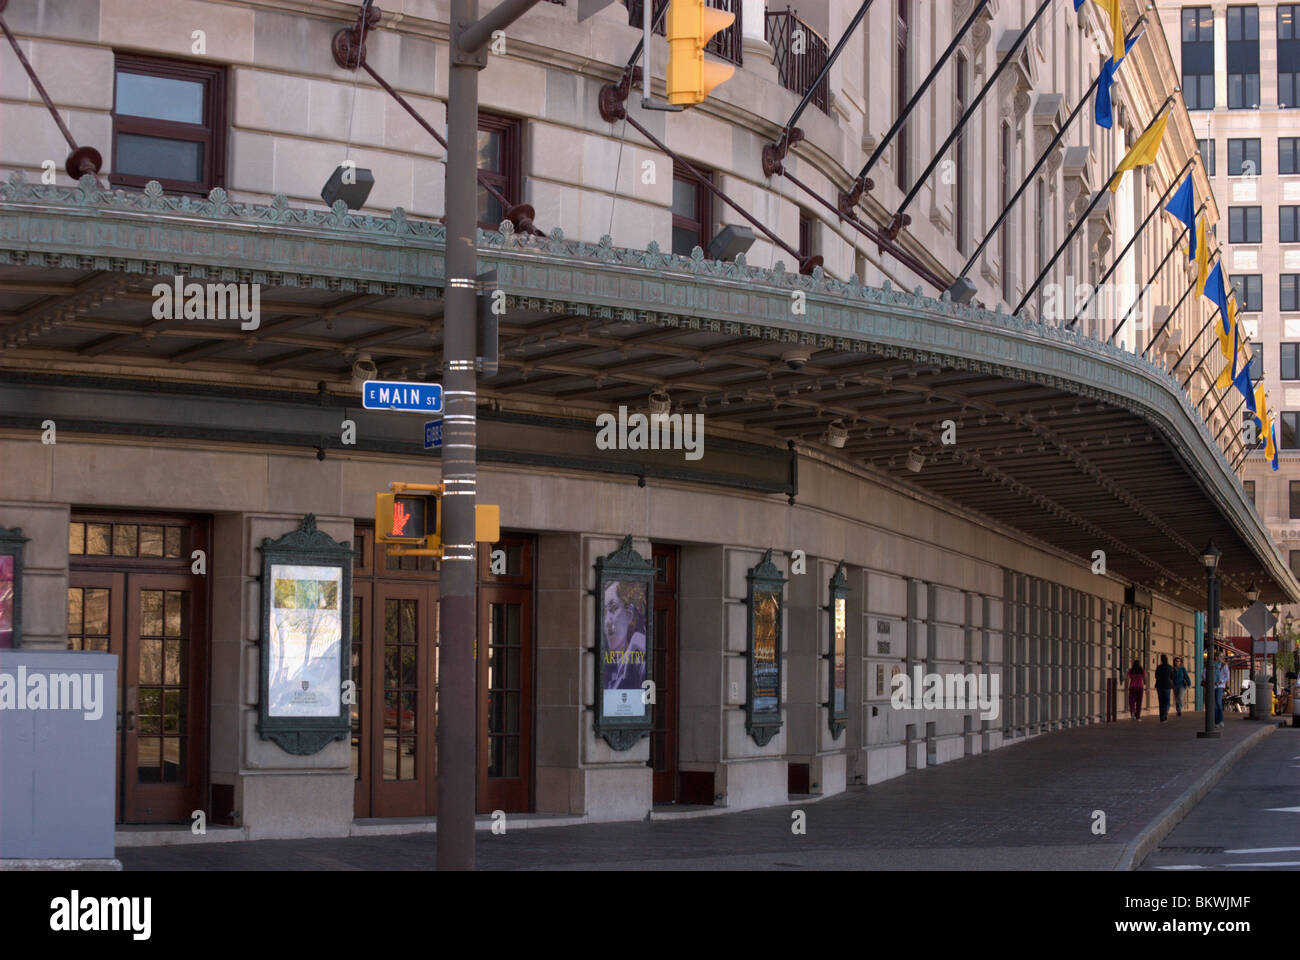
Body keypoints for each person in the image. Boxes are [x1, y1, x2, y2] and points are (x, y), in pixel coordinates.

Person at [1155, 654, 1173, 721]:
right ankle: (1165, 714)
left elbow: (1156, 676)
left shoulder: (1159, 667)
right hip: (1167, 686)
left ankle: (1161, 716)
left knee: (1161, 701)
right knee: (1167, 701)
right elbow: (1172, 676)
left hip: (1159, 685)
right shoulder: (1170, 667)